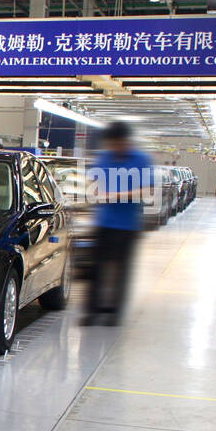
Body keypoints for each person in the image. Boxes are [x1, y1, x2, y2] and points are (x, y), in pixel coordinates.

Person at [83, 120, 153, 327]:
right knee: (96, 268)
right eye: (111, 144)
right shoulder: (104, 157)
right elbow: (94, 186)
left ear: (125, 141)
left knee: (121, 270)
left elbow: (147, 190)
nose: (114, 147)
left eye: (117, 143)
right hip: (104, 222)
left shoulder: (140, 159)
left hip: (128, 225)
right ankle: (93, 311)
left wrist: (117, 195)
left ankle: (114, 311)